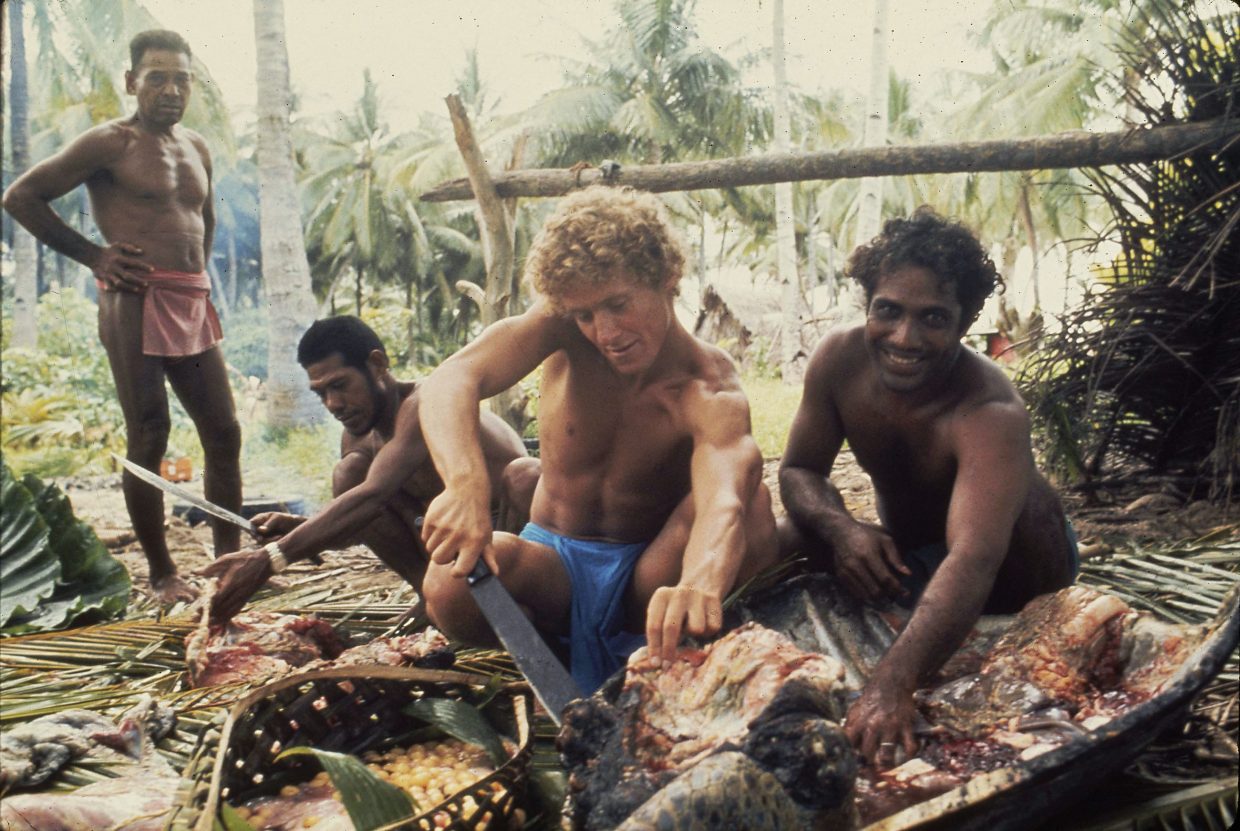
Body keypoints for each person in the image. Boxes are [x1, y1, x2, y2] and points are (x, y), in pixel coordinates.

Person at [416, 185, 781, 696]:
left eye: (618, 304)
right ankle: (555, 655)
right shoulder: (563, 329)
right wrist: (464, 485)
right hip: (556, 563)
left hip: (645, 576)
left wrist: (698, 583)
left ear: (666, 279)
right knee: (446, 584)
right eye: (586, 315)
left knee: (755, 499)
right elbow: (450, 380)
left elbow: (724, 500)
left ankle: (640, 648)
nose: (605, 332)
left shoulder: (707, 388)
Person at [778, 207, 1078, 768]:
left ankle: (1000, 642)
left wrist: (892, 685)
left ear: (964, 324)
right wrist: (841, 529)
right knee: (785, 532)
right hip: (910, 561)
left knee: (1027, 498)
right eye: (887, 311)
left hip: (1008, 577)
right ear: (867, 303)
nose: (904, 337)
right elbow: (798, 470)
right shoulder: (838, 361)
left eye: (933, 318)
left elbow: (973, 557)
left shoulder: (990, 408)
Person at [2, 30, 241, 603]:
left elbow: (202, 220)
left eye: (181, 77)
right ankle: (162, 574)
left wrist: (200, 279)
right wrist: (94, 255)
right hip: (133, 296)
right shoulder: (110, 142)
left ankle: (233, 562)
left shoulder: (198, 148)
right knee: (150, 429)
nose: (170, 89)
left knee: (225, 433)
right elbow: (21, 197)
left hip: (190, 294)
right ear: (131, 82)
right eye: (156, 77)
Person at [201, 315, 538, 624]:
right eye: (321, 393)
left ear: (377, 365)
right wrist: (302, 530)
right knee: (348, 475)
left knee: (525, 476)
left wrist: (271, 558)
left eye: (340, 385)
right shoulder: (358, 441)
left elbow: (374, 496)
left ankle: (524, 604)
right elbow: (366, 519)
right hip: (454, 555)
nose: (332, 404)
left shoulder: (424, 403)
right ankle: (431, 598)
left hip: (512, 545)